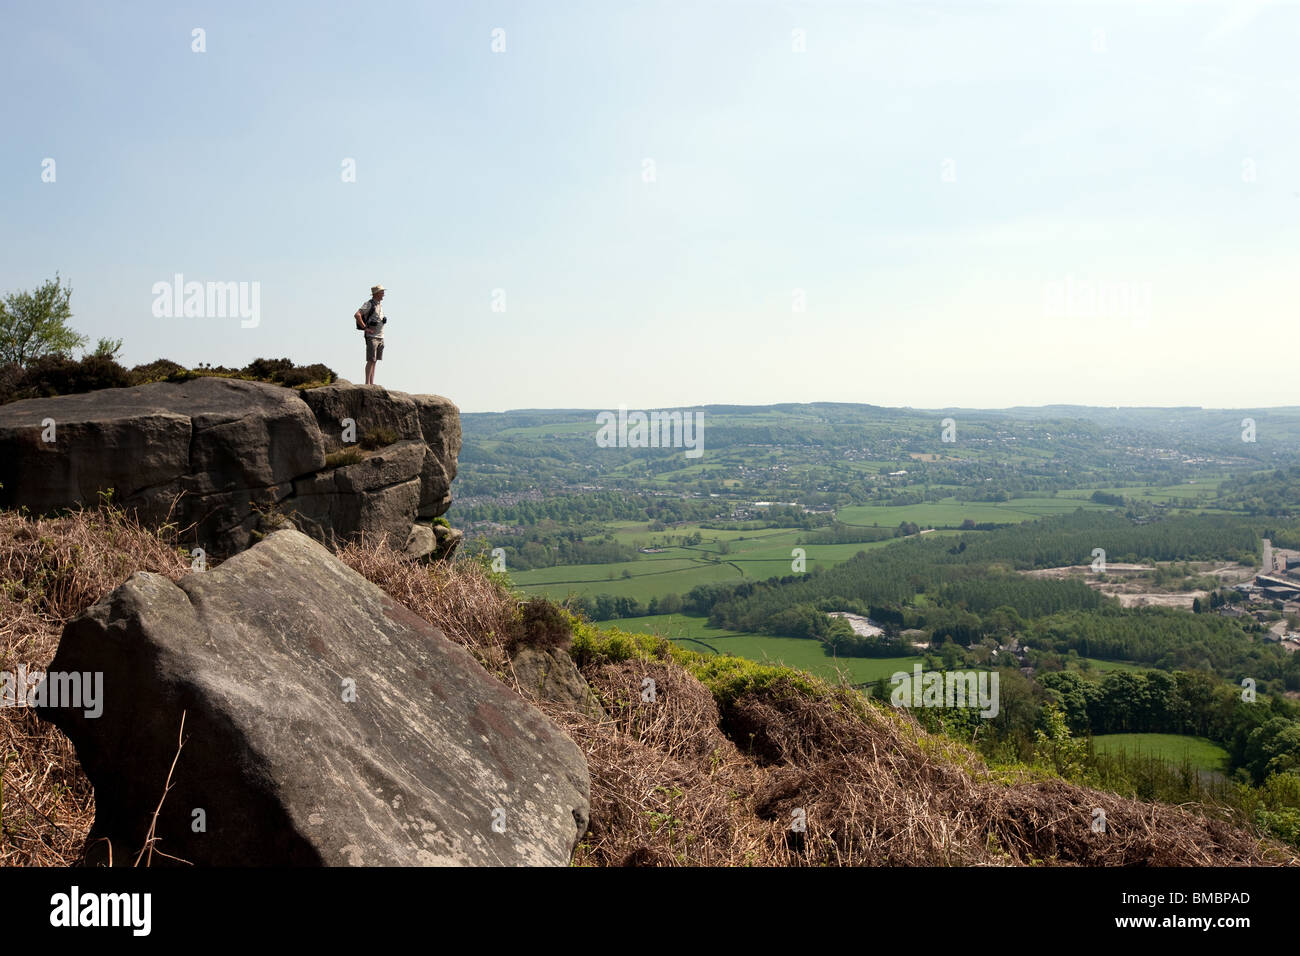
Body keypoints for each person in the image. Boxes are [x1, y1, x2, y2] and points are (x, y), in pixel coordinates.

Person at [355, 284, 387, 385]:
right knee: (370, 360)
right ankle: (367, 383)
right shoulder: (369, 304)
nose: (383, 294)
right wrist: (365, 328)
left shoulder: (379, 305)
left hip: (380, 336)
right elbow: (357, 315)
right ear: (376, 293)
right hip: (372, 336)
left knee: (374, 361)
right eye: (382, 292)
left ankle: (371, 383)